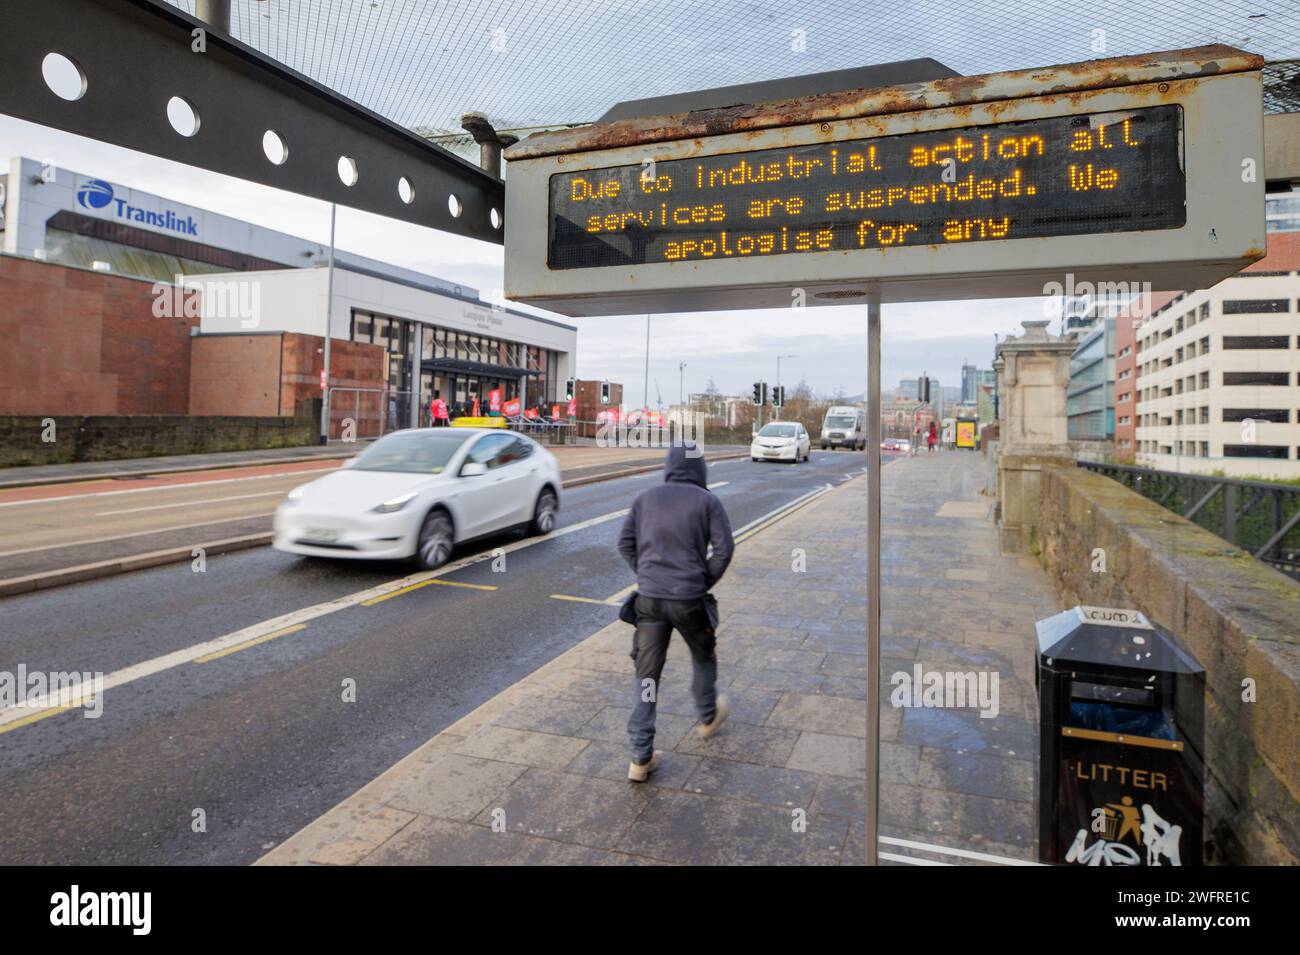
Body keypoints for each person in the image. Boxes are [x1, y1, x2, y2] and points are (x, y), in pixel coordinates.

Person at [617, 441, 734, 782]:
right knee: (702, 656)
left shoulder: (645, 498)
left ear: (669, 465)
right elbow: (724, 549)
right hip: (689, 599)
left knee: (647, 677)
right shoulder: (708, 501)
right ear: (701, 469)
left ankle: (640, 758)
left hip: (649, 602)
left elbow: (624, 543)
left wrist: (647, 575)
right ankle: (708, 716)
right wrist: (702, 580)